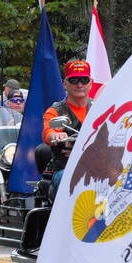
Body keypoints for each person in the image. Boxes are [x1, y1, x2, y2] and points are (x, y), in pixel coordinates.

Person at [42, 60, 92, 190]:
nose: (80, 85)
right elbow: (48, 132)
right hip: (66, 168)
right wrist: (55, 136)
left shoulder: (100, 108)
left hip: (97, 166)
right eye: (74, 80)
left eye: (84, 80)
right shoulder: (56, 111)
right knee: (68, 178)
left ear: (90, 83)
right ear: (65, 83)